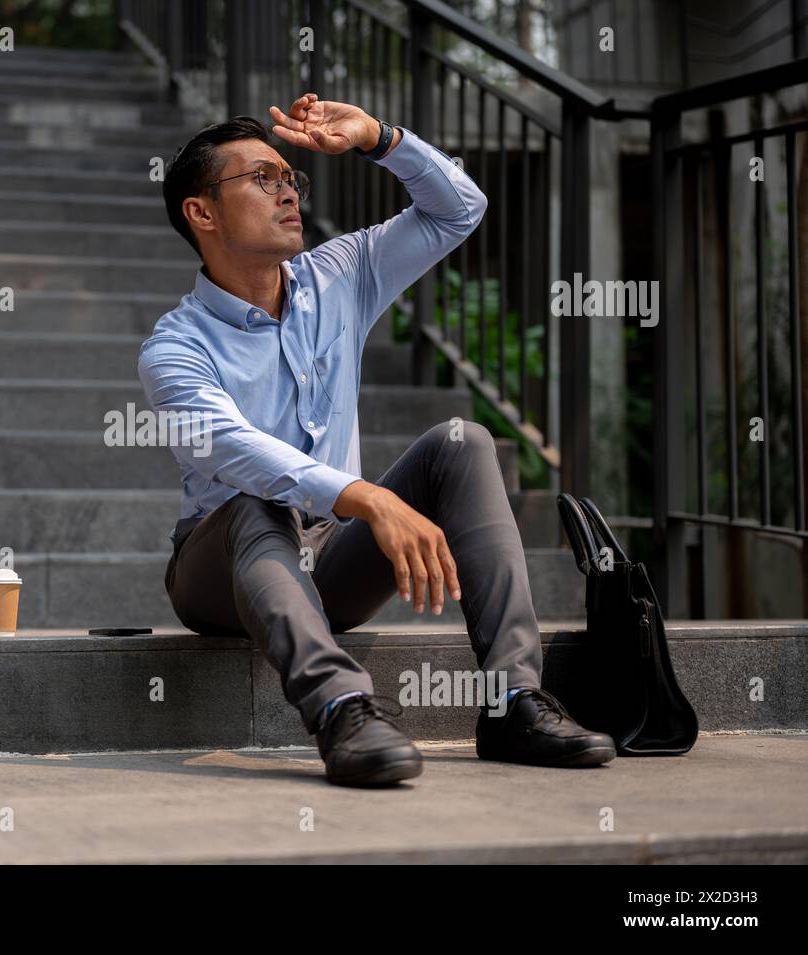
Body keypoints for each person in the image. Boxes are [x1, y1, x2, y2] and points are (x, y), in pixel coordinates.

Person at [137, 93, 616, 787]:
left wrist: (379, 138)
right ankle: (342, 709)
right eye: (262, 179)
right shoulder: (174, 347)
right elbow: (229, 446)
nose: (288, 192)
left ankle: (513, 699)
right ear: (202, 212)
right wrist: (366, 496)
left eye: (290, 177)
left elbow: (459, 209)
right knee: (255, 501)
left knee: (462, 441)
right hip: (223, 568)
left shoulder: (339, 275)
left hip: (334, 559)